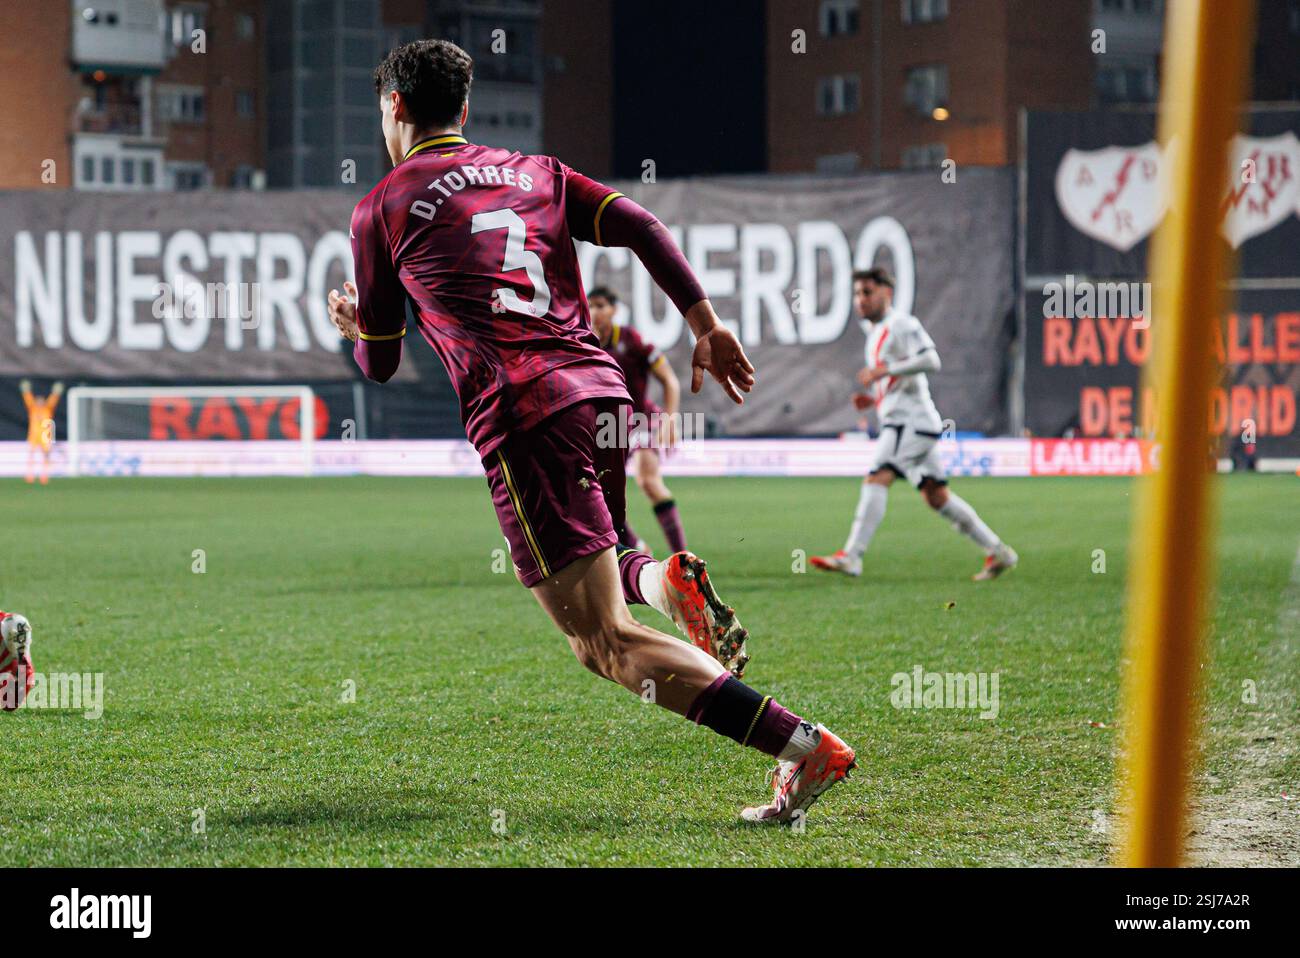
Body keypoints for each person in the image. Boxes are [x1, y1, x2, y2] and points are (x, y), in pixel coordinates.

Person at [327, 40, 855, 823]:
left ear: (395, 106)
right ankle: (663, 580)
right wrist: (704, 325)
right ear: (464, 110)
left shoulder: (382, 205)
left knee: (603, 642)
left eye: (381, 110)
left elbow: (377, 366)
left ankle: (805, 748)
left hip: (523, 414)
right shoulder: (535, 171)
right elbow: (640, 224)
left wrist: (354, 324)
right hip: (601, 393)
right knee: (613, 556)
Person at [811, 268, 1018, 581]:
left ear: (886, 293)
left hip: (911, 424)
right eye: (857, 294)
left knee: (878, 476)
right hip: (906, 422)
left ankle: (852, 556)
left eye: (867, 292)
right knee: (936, 497)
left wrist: (884, 371)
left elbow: (931, 360)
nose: (860, 300)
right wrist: (876, 398)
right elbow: (899, 382)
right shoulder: (876, 334)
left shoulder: (902, 324)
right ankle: (999, 552)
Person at [586, 286, 689, 555]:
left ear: (614, 309)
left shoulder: (631, 340)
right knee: (603, 496)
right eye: (591, 306)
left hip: (641, 419)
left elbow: (670, 380)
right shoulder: (585, 343)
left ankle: (682, 556)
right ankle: (637, 548)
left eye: (600, 305)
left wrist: (670, 418)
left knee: (648, 481)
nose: (595, 312)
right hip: (611, 427)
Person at [20, 380, 62, 485]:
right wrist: (26, 390)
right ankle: (30, 476)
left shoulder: (47, 409)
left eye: (41, 401)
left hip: (46, 435)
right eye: (38, 401)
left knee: (46, 455)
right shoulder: (33, 408)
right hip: (34, 435)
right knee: (31, 455)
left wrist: (56, 392)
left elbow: (53, 400)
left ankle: (45, 476)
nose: (39, 402)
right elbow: (28, 399)